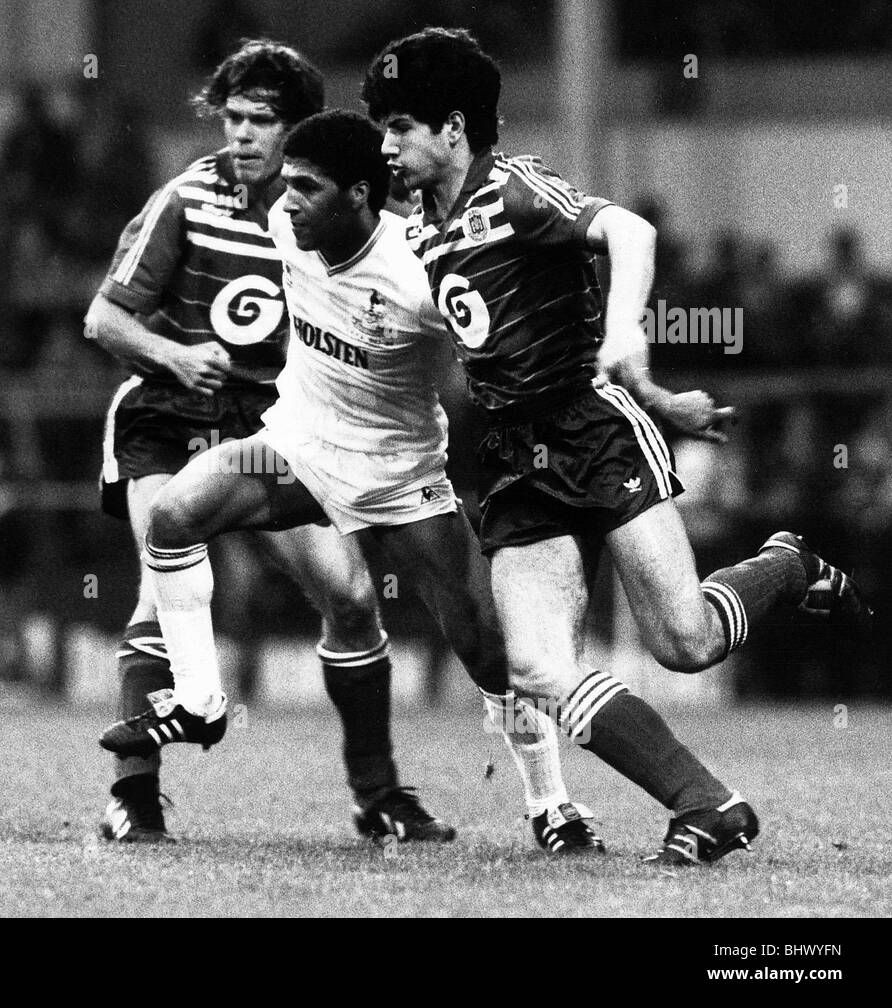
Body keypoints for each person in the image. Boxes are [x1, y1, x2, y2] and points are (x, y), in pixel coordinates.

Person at [361, 27, 870, 865]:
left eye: (401, 127)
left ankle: (786, 562)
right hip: (516, 462)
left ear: (453, 128)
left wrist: (628, 330)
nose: (388, 146)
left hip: (594, 430)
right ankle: (707, 802)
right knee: (536, 666)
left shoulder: (516, 190)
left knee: (686, 643)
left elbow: (629, 231)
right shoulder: (420, 224)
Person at [99, 109, 603, 855]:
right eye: (288, 185)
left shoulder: (419, 272)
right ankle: (201, 701)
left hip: (400, 475)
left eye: (307, 187)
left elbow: (487, 361)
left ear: (362, 196)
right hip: (297, 447)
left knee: (488, 648)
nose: (287, 199)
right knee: (172, 517)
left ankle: (550, 804)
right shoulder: (283, 224)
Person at [85, 40, 458, 845]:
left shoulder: (330, 213)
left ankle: (378, 795)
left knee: (353, 600)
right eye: (233, 119)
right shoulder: (186, 200)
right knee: (163, 587)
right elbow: (104, 318)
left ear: (301, 131)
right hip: (169, 420)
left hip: (271, 428)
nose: (243, 137)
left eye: (263, 121)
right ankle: (134, 797)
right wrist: (176, 356)